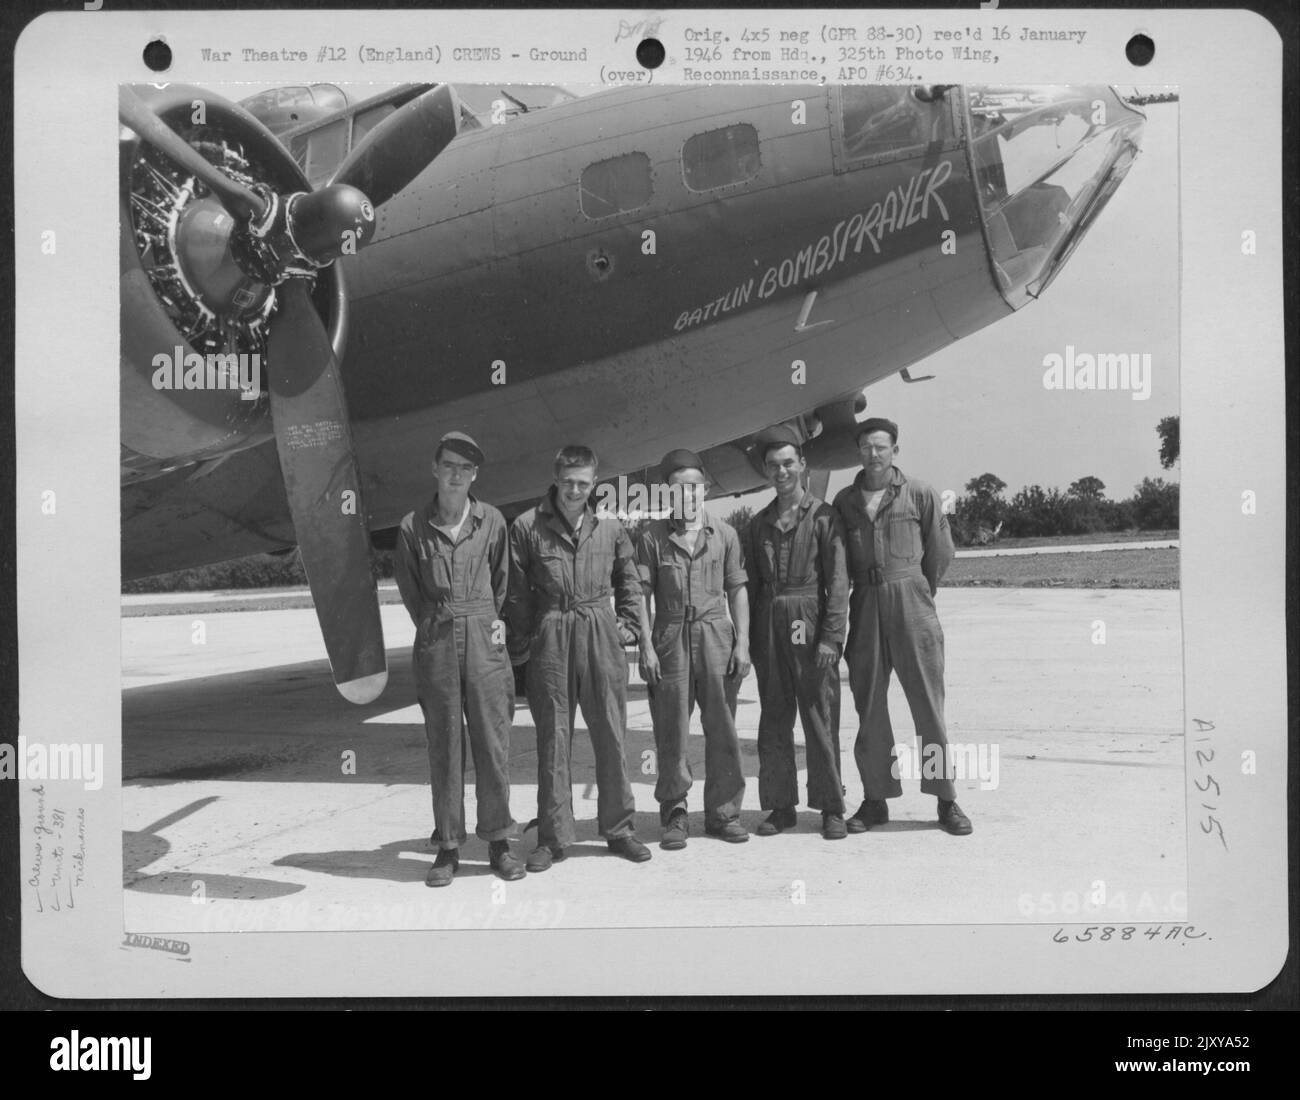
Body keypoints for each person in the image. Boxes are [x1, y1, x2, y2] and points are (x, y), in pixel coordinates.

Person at [505, 445, 652, 870]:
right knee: (554, 737)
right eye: (568, 482)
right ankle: (553, 838)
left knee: (611, 731)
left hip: (598, 627)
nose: (574, 490)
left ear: (594, 482)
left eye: (583, 483)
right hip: (552, 631)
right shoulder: (528, 526)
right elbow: (516, 592)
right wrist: (528, 638)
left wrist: (626, 624)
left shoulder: (609, 525)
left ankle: (620, 829)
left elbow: (628, 578)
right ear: (556, 478)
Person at [393, 431, 525, 887]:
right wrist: (436, 625)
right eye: (448, 465)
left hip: (484, 641)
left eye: (465, 469)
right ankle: (448, 846)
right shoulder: (413, 527)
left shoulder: (492, 521)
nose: (455, 475)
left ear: (474, 476)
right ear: (435, 469)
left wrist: (485, 621)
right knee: (445, 747)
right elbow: (411, 591)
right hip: (438, 640)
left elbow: (503, 581)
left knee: (493, 744)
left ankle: (499, 843)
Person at [832, 418, 972, 836]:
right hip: (866, 604)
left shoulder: (920, 493)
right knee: (869, 706)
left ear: (895, 450)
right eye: (866, 448)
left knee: (928, 705)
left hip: (911, 599)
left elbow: (941, 550)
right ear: (858, 453)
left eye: (881, 447)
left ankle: (946, 800)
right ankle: (875, 799)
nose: (873, 455)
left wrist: (918, 588)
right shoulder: (845, 501)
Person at [636, 450, 751, 849]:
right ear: (669, 492)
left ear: (704, 489)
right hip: (670, 634)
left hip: (715, 632)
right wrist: (645, 645)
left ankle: (724, 812)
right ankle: (675, 812)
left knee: (722, 726)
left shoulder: (724, 534)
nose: (687, 493)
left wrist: (743, 643)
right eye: (678, 487)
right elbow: (642, 595)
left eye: (694, 486)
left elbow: (737, 588)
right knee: (672, 730)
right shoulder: (652, 537)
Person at [745, 426, 850, 840]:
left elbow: (839, 582)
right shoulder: (757, 525)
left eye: (788, 463)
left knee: (820, 714)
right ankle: (780, 806)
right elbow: (750, 587)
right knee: (774, 717)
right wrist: (752, 642)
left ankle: (831, 807)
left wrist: (830, 636)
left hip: (809, 616)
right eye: (773, 465)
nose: (781, 471)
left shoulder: (825, 517)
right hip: (771, 620)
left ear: (803, 466)